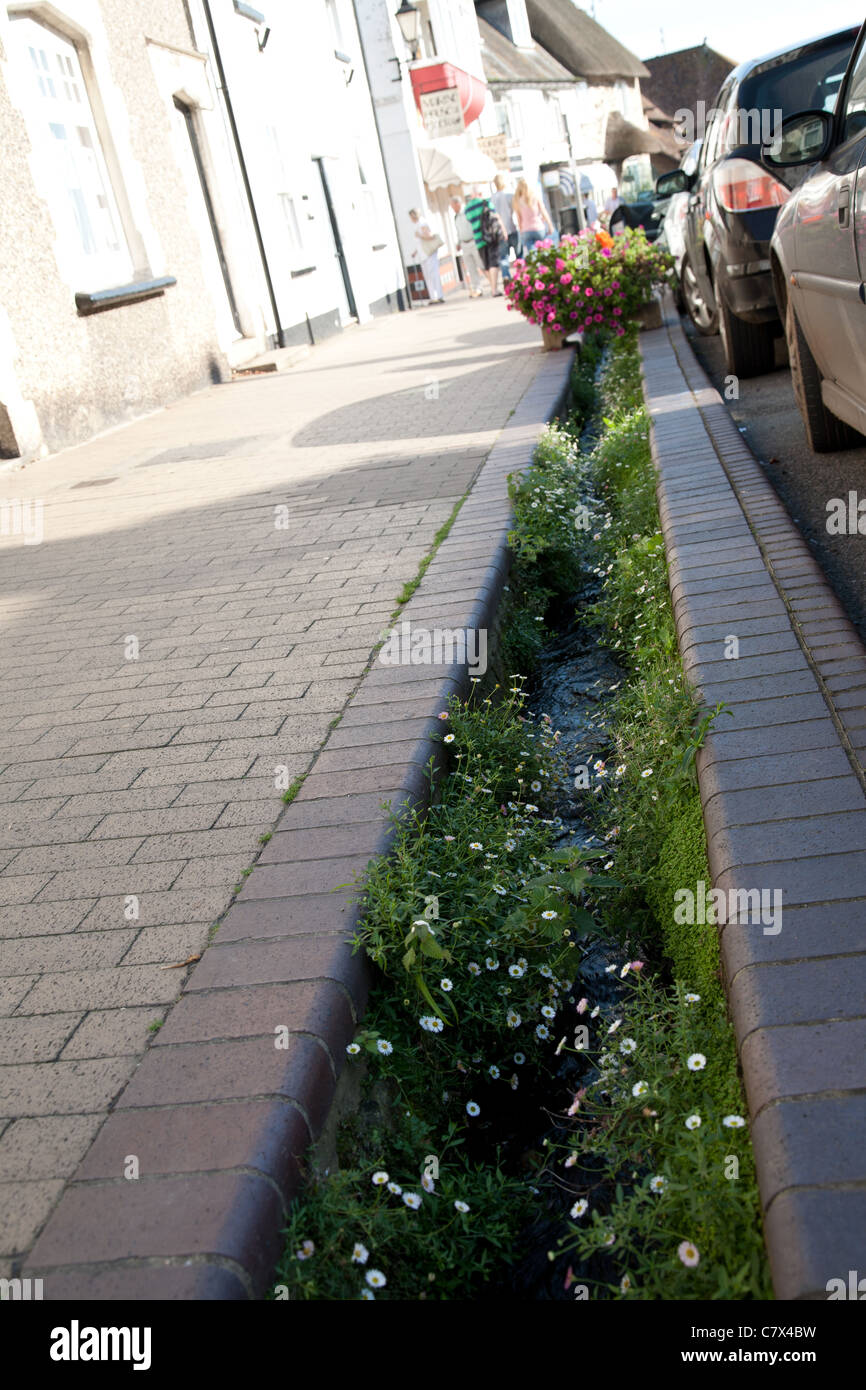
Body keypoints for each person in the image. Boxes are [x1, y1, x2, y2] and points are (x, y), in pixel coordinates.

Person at [463, 189, 504, 297]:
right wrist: (503, 231)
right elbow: (496, 217)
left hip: (478, 239)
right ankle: (494, 289)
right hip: (491, 236)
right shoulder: (485, 203)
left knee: (486, 264)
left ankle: (493, 286)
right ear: (478, 194)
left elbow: (468, 221)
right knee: (493, 262)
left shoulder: (467, 209)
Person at [408, 207, 444, 304]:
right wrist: (415, 252)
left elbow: (429, 236)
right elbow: (419, 243)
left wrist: (419, 235)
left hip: (429, 253)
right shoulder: (417, 225)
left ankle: (439, 295)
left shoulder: (422, 223)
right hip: (422, 254)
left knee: (433, 274)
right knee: (428, 275)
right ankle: (433, 297)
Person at [450, 195, 484, 297]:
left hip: (473, 241)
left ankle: (492, 283)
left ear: (458, 204)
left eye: (453, 206)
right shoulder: (455, 217)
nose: (452, 208)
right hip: (464, 244)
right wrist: (459, 242)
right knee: (471, 267)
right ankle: (477, 288)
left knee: (481, 264)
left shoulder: (467, 213)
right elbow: (459, 231)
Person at [512, 178, 555, 256]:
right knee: (544, 252)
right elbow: (544, 212)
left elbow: (519, 219)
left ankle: (537, 267)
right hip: (539, 228)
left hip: (526, 230)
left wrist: (521, 231)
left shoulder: (517, 201)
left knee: (532, 255)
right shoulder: (535, 197)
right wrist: (550, 225)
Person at [493, 174, 517, 282]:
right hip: (512, 228)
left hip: (500, 232)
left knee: (503, 257)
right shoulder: (509, 196)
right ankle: (521, 275)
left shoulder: (491, 199)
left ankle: (506, 276)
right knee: (519, 255)